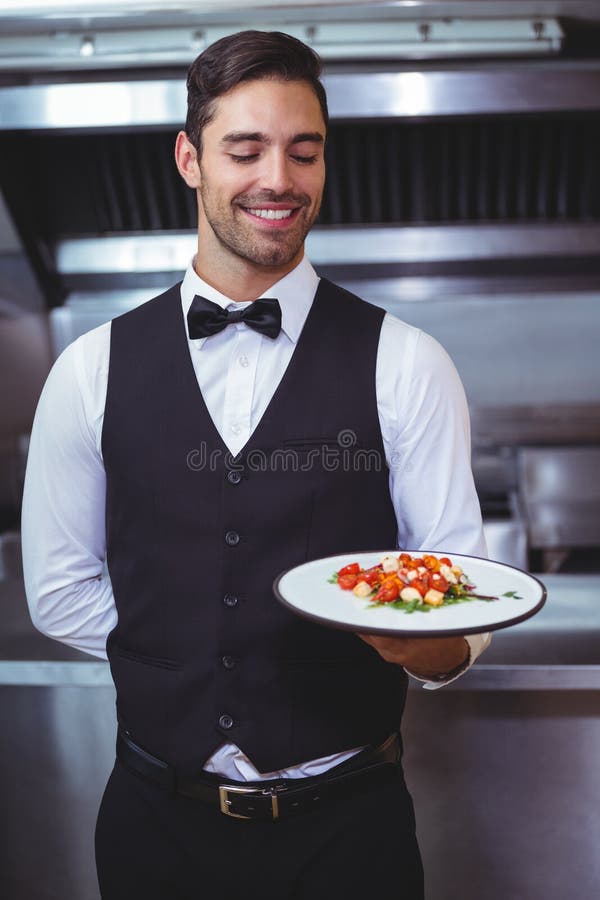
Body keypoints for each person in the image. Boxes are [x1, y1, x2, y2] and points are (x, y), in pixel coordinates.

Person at [22, 30, 490, 900]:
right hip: (154, 826)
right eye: (246, 149)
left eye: (303, 152)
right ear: (189, 159)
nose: (279, 178)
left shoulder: (407, 361)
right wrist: (199, 646)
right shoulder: (89, 370)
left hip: (352, 833)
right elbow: (59, 591)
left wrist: (427, 648)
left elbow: (459, 594)